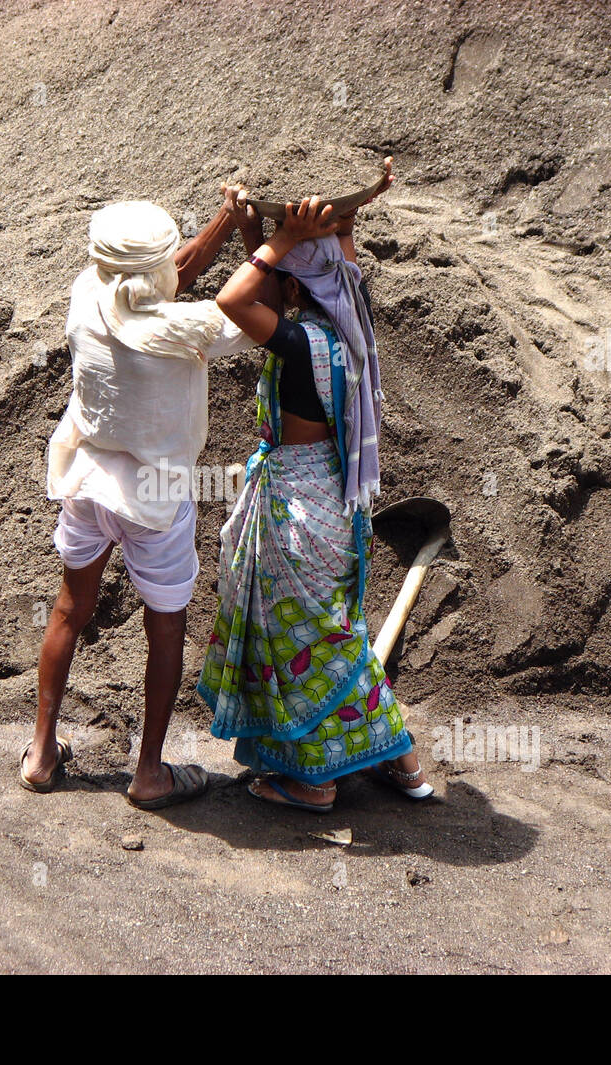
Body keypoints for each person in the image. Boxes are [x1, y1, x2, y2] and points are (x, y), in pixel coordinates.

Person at [198, 159, 435, 812]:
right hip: (336, 505)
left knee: (306, 646)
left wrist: (278, 241)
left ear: (299, 270)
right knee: (339, 640)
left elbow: (235, 301)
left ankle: (314, 781)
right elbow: (325, 275)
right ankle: (406, 765)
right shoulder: (349, 328)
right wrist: (281, 233)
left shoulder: (301, 343)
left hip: (294, 514)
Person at [21, 189, 254, 809]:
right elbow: (250, 304)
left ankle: (41, 753)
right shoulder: (187, 331)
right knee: (166, 626)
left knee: (70, 608)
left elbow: (158, 278)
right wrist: (267, 238)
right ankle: (149, 773)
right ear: (158, 268)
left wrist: (224, 220)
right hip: (156, 498)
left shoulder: (83, 293)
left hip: (87, 480)